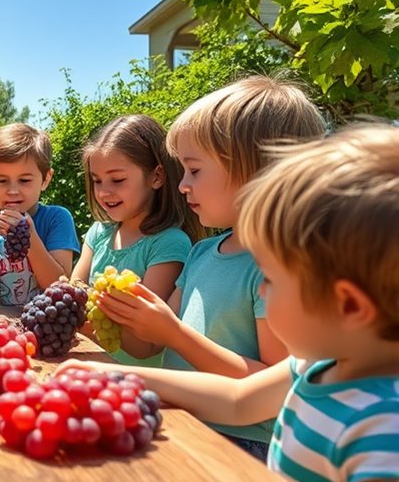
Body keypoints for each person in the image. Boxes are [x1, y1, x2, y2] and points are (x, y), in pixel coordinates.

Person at [56, 125, 399, 481]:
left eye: (271, 279)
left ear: (350, 306)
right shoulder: (313, 367)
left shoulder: (382, 433)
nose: (263, 292)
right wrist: (114, 373)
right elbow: (237, 398)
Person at [93, 76, 326, 458]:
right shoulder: (202, 252)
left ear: (257, 170)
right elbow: (154, 338)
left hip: (239, 444)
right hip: (176, 421)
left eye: (195, 170)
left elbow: (266, 388)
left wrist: (174, 334)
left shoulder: (280, 270)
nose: (182, 185)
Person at [71, 115, 203, 366]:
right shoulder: (98, 233)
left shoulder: (170, 243)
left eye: (117, 180)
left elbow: (145, 345)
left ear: (156, 177)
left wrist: (89, 311)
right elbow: (74, 289)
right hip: (93, 370)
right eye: (96, 180)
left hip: (138, 385)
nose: (103, 191)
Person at [0, 123, 79, 306]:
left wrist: (29, 235)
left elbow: (59, 285)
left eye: (24, 180)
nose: (12, 190)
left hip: (47, 327)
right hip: (7, 327)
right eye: (1, 180)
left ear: (45, 179)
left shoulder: (57, 219)